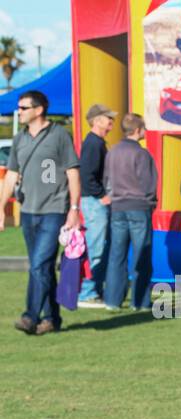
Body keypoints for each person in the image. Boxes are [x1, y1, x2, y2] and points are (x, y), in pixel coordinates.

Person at [1, 90, 82, 335]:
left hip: (54, 210)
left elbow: (72, 173)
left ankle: (30, 316)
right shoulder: (19, 139)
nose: (20, 112)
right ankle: (52, 318)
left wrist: (74, 209)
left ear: (38, 109)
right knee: (44, 267)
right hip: (28, 210)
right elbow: (11, 175)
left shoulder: (59, 136)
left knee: (38, 265)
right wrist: (2, 208)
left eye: (24, 108)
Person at [103, 113, 158, 311]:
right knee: (141, 255)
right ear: (137, 130)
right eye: (143, 128)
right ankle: (140, 301)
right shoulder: (141, 154)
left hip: (117, 207)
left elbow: (106, 180)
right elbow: (148, 183)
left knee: (117, 255)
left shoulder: (113, 151)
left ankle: (112, 300)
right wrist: (151, 202)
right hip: (138, 206)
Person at [78, 104, 116, 307]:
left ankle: (94, 290)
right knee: (97, 246)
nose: (112, 121)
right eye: (108, 117)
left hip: (95, 201)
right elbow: (86, 174)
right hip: (94, 202)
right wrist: (101, 195)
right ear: (97, 120)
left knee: (101, 245)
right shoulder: (93, 143)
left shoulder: (97, 142)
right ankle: (88, 292)